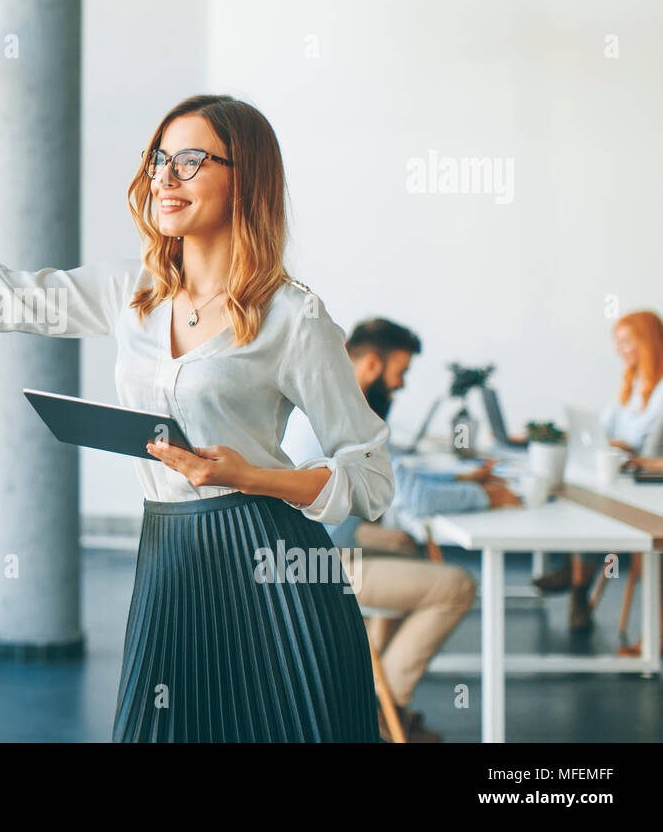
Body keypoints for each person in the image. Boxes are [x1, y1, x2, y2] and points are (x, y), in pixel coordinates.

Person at [0, 94, 393, 742]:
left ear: (247, 176)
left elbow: (369, 478)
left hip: (273, 568)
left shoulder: (294, 318)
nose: (166, 178)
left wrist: (256, 477)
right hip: (171, 561)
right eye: (159, 159)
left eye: (192, 159)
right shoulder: (135, 292)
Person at [283, 318, 521, 742]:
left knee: (404, 544)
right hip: (317, 564)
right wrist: (488, 497)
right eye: (400, 373)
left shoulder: (327, 402)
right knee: (457, 586)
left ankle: (373, 690)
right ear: (372, 363)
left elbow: (399, 477)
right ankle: (381, 705)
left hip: (311, 549)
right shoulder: (349, 412)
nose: (402, 385)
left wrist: (461, 482)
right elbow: (413, 499)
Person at [533, 310, 663, 629]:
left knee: (596, 504)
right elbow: (601, 429)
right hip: (623, 473)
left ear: (647, 343)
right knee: (575, 490)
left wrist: (645, 460)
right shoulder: (631, 386)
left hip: (648, 484)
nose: (619, 350)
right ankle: (571, 576)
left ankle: (576, 584)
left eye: (626, 342)